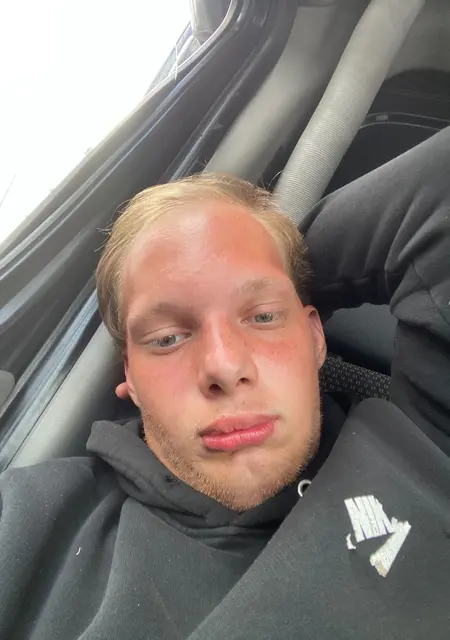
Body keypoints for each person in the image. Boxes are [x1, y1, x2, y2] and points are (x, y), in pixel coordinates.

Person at [0, 128, 449, 640]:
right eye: (167, 338)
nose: (224, 366)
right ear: (130, 378)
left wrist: (280, 250)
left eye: (263, 317)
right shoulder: (26, 523)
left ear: (315, 336)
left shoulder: (426, 445)